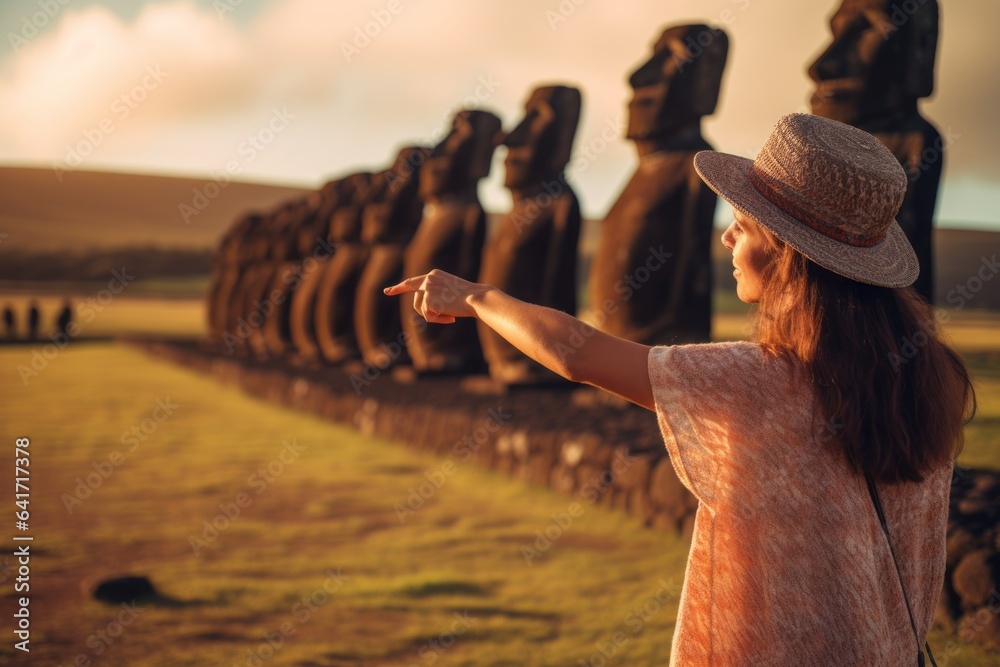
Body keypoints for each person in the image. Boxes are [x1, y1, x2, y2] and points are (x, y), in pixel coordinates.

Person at [384, 113, 976, 665]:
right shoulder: (933, 380)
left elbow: (577, 353)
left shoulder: (760, 382)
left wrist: (476, 297)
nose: (726, 241)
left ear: (788, 253)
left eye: (741, 226)